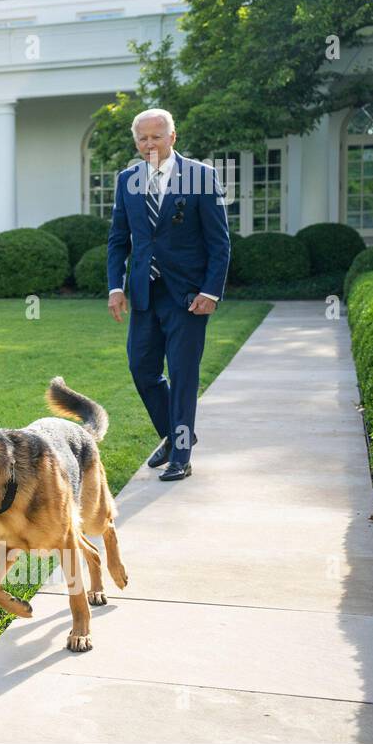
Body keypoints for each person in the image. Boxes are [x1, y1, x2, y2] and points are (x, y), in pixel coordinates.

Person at [106, 108, 231, 481]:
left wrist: (211, 292)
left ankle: (181, 455)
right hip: (144, 293)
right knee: (142, 369)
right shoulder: (127, 180)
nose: (149, 144)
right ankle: (178, 435)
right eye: (142, 138)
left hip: (189, 297)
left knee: (182, 373)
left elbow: (219, 243)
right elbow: (118, 240)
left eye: (156, 136)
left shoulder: (201, 177)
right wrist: (116, 286)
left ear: (172, 137)